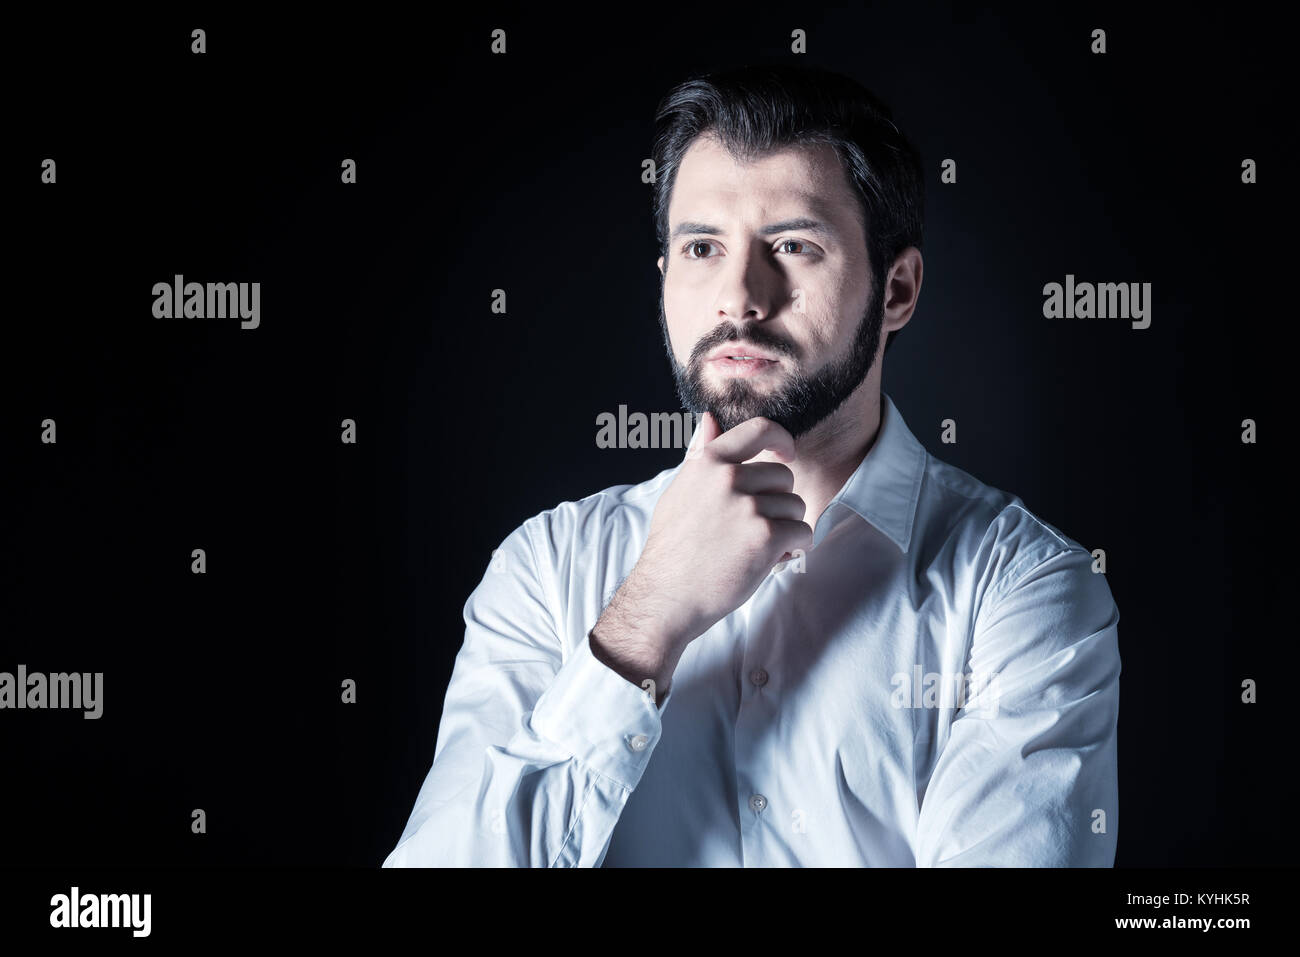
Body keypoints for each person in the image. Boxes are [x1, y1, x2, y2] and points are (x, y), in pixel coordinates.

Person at [383, 63, 1120, 867]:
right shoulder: (545, 570)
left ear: (898, 289)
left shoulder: (1021, 590)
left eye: (793, 245)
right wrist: (647, 617)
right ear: (665, 280)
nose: (738, 295)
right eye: (702, 246)